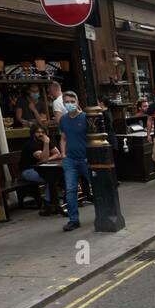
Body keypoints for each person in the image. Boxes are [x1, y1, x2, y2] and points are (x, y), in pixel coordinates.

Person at [56, 91, 91, 232]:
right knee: (70, 190)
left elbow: (91, 138)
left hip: (85, 159)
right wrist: (63, 154)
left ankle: (104, 211)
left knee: (95, 184)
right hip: (70, 160)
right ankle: (73, 220)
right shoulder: (63, 120)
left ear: (77, 102)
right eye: (66, 102)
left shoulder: (85, 118)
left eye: (72, 101)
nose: (69, 104)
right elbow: (63, 138)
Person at [19, 123, 61, 210]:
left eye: (43, 132)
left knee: (57, 175)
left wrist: (48, 158)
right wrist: (46, 144)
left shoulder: (45, 140)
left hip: (41, 169)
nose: (41, 134)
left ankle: (51, 201)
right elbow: (43, 160)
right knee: (51, 177)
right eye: (38, 132)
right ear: (33, 133)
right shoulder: (31, 144)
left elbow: (58, 154)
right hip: (28, 171)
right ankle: (48, 203)